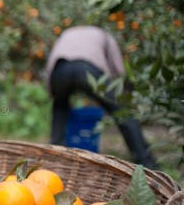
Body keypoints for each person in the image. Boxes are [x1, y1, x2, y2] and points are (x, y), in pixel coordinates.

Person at [44, 25, 159, 169]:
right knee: (123, 113)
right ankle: (147, 163)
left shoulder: (67, 33)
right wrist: (117, 92)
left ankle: (54, 157)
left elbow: (51, 62)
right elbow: (117, 68)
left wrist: (52, 91)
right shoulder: (104, 34)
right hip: (88, 69)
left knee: (60, 107)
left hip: (60, 70)